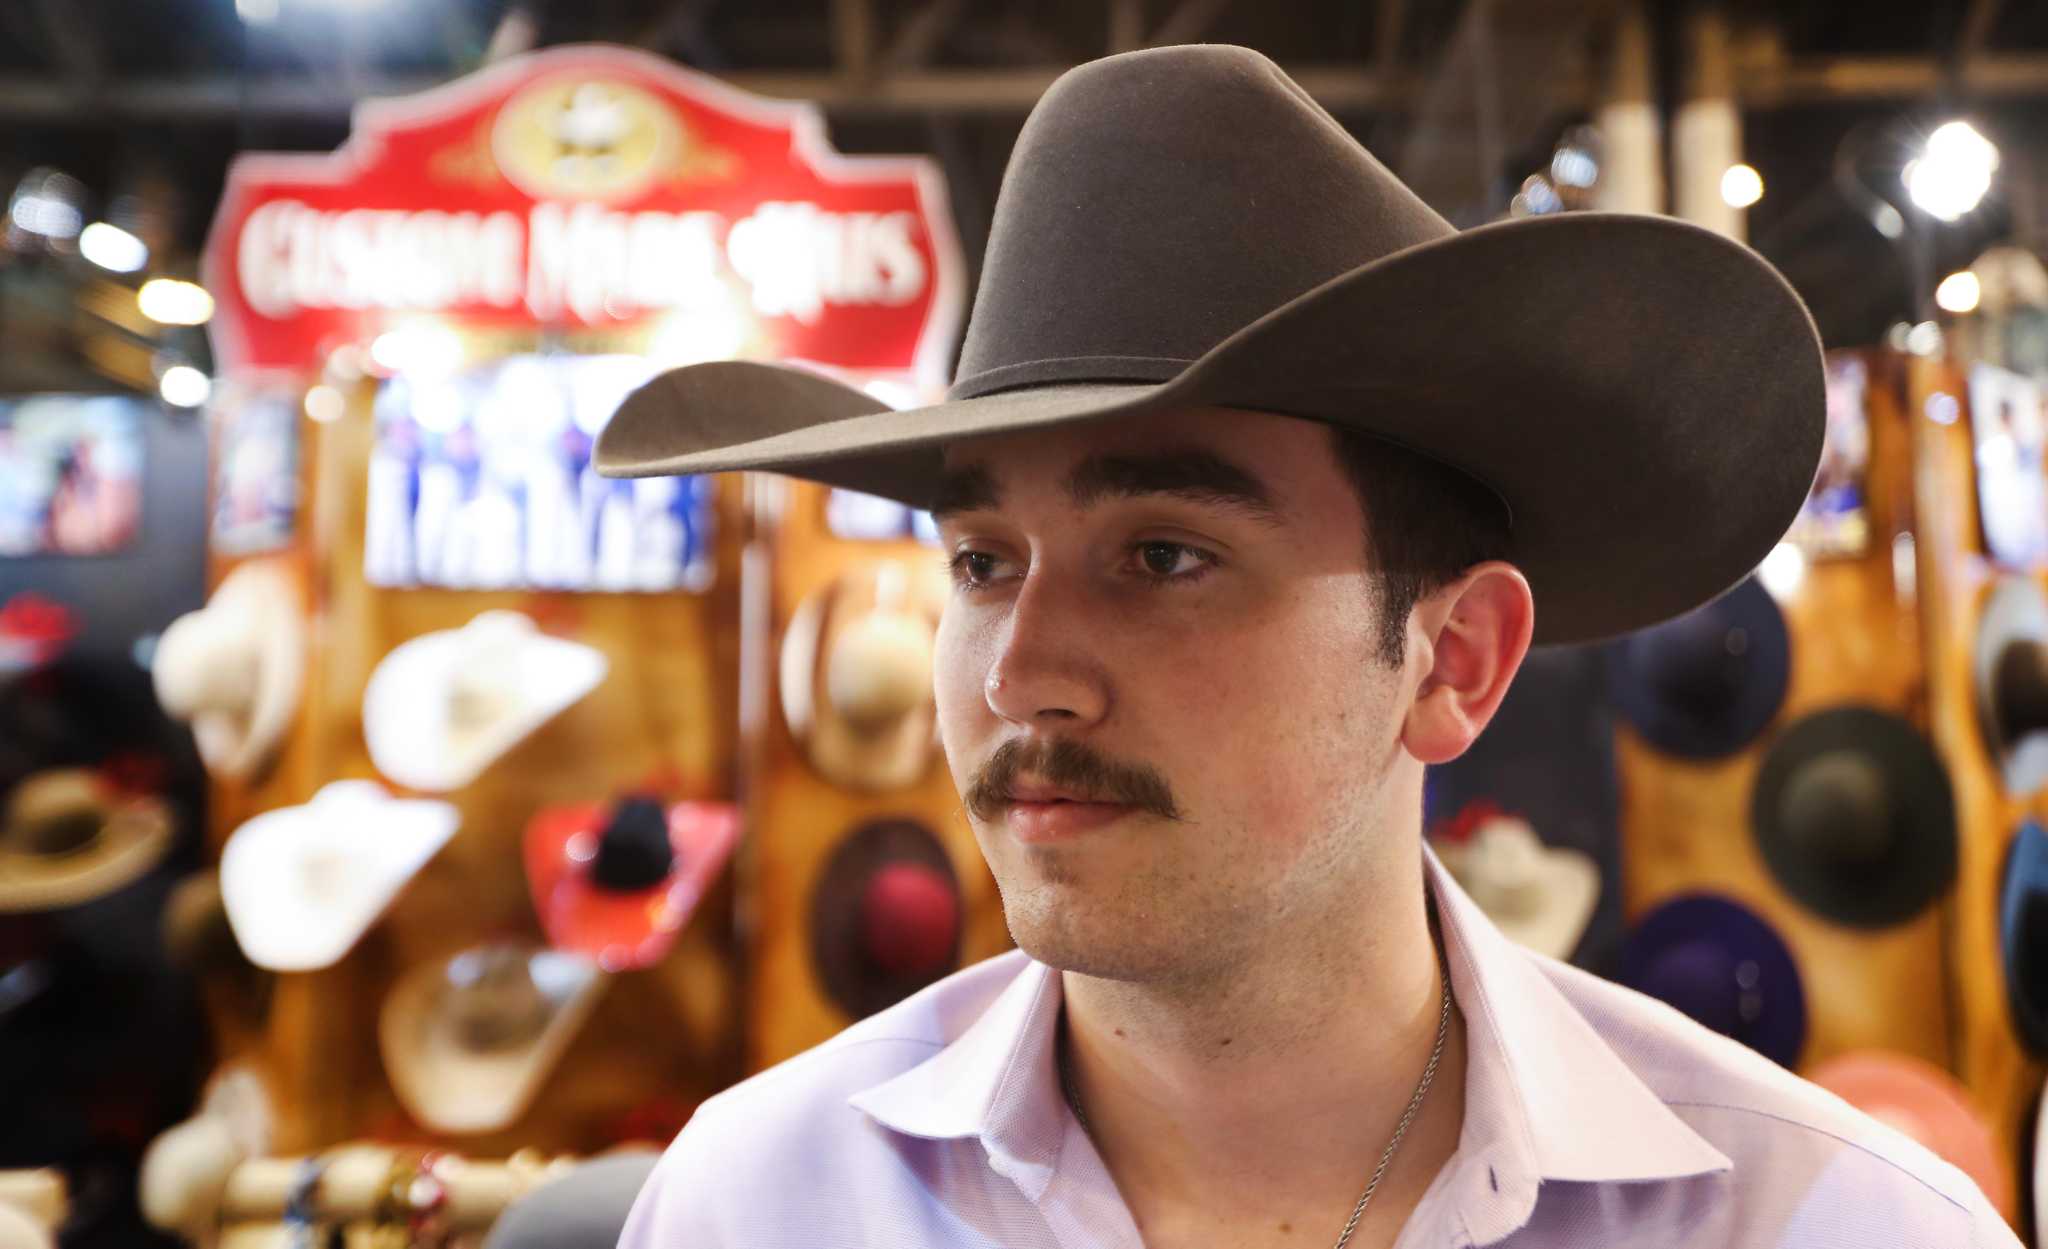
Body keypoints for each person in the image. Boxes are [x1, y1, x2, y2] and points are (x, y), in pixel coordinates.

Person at [598, 43, 2021, 1249]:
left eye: (1164, 556)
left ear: (1455, 656)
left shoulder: (1829, 1222)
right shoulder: (761, 1203)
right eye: (982, 561)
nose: (1017, 673)